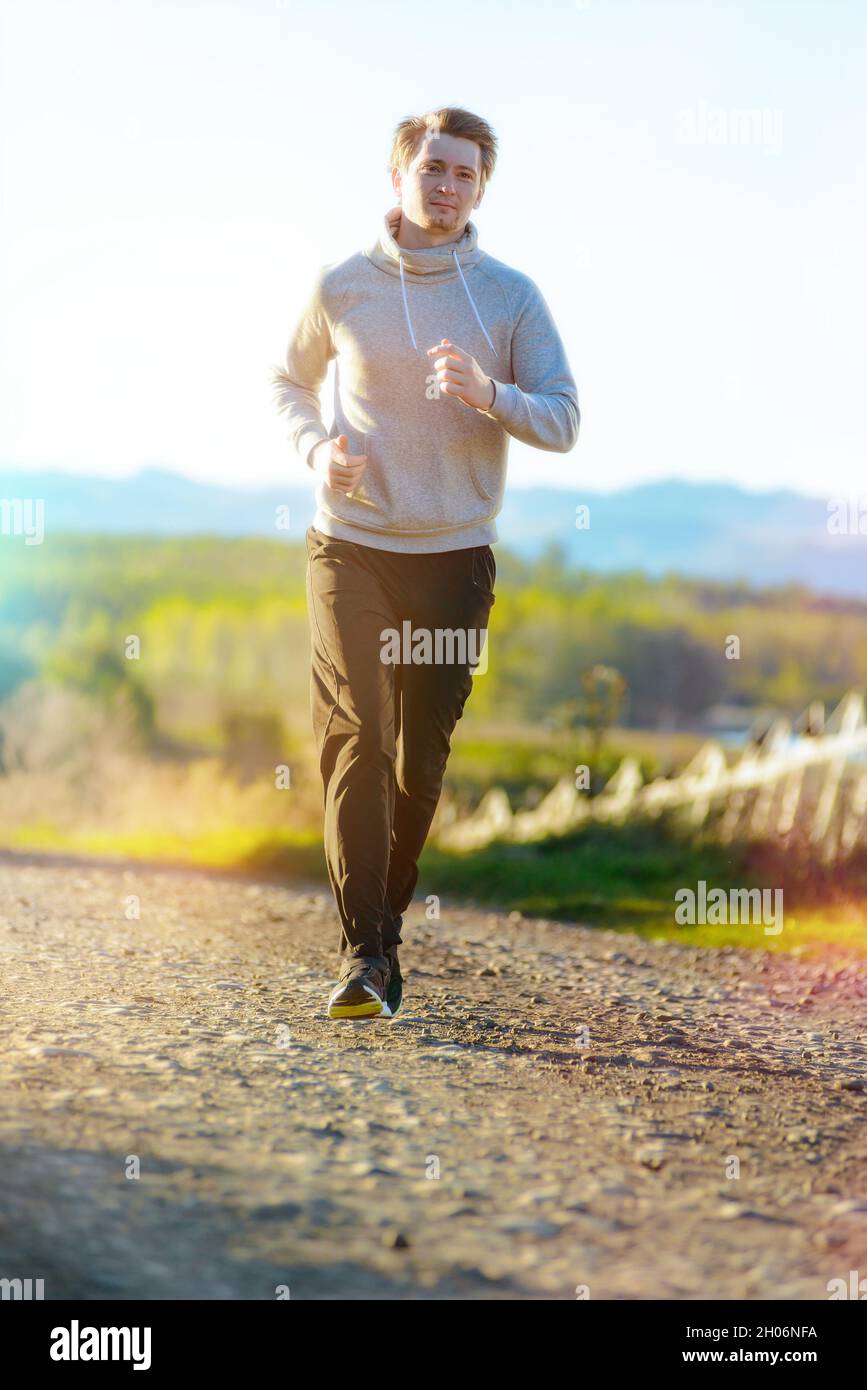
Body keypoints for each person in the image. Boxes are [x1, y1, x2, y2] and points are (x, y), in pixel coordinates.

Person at [271, 106, 579, 1019]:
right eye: (434, 169)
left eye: (465, 176)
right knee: (358, 733)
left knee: (417, 763)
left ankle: (382, 937)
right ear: (399, 174)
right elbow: (287, 380)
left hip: (454, 557)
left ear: (480, 189)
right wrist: (316, 449)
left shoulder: (509, 296)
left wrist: (490, 395)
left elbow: (563, 417)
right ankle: (362, 956)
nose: (447, 187)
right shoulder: (343, 284)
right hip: (351, 544)